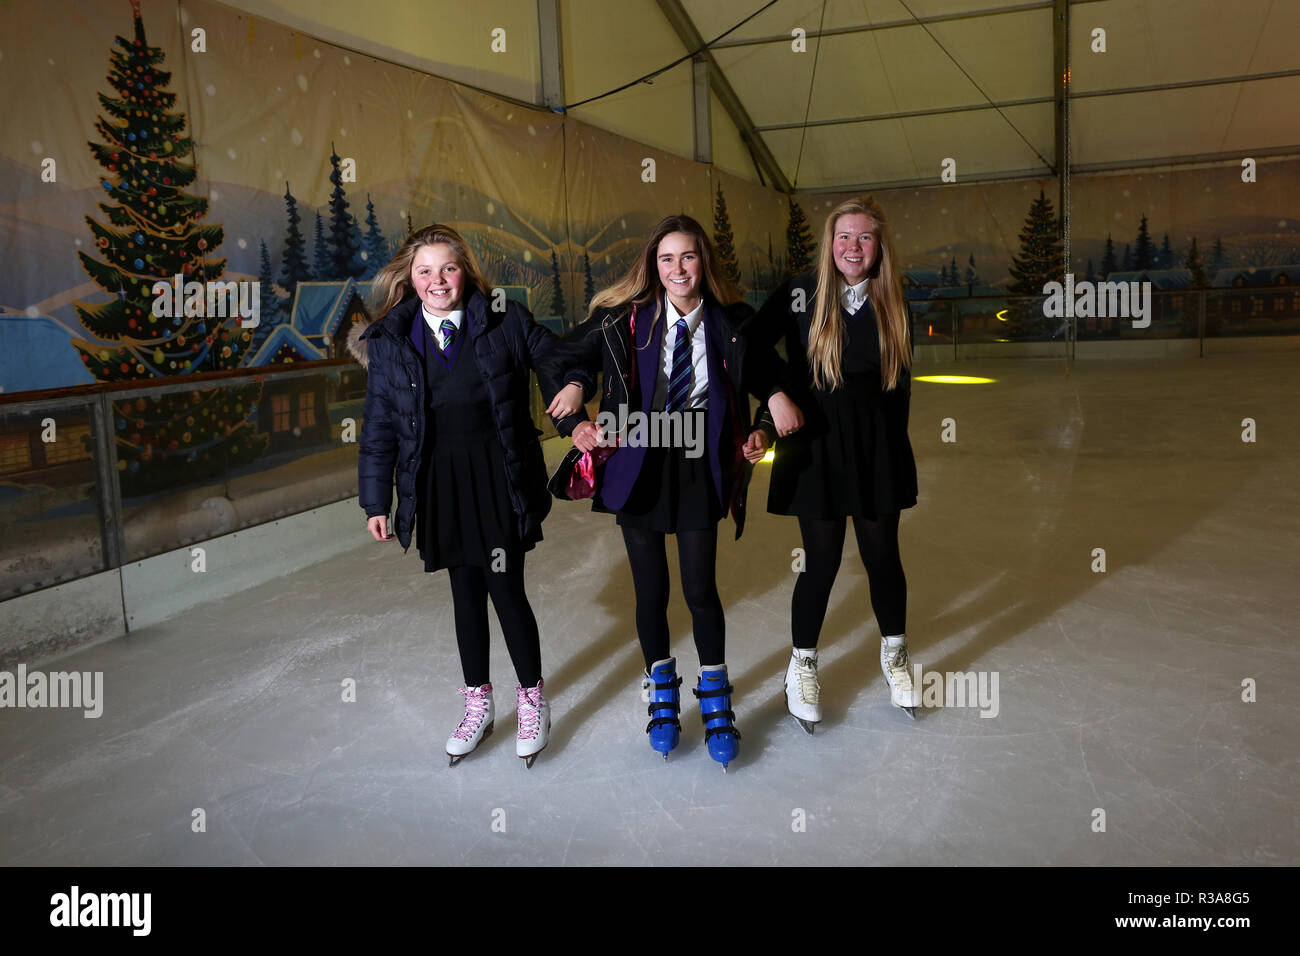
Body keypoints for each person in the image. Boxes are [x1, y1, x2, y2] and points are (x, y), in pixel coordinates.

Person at [539, 215, 799, 771]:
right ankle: (661, 692)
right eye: (666, 259)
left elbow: (770, 376)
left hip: (699, 464)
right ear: (652, 267)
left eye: (687, 257)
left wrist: (768, 416)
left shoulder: (733, 322)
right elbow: (561, 357)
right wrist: (577, 393)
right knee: (651, 589)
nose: (677, 269)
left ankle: (715, 699)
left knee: (701, 589)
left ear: (703, 262)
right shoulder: (626, 320)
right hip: (639, 462)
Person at [351, 224, 589, 768]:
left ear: (467, 272)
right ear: (410, 279)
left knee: (505, 588)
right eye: (425, 270)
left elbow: (561, 361)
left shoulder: (504, 317)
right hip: (438, 480)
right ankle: (476, 702)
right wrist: (374, 500)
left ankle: (531, 700)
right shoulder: (390, 339)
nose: (438, 280)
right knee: (464, 593)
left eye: (448, 268)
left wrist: (573, 395)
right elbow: (380, 424)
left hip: (497, 471)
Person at [755, 196, 920, 731]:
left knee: (882, 557)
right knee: (820, 563)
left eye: (864, 238)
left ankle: (895, 658)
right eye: (844, 236)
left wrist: (898, 452)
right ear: (830, 242)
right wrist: (774, 398)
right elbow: (748, 344)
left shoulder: (892, 297)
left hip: (875, 447)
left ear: (879, 247)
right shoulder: (802, 291)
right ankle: (801, 664)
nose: (853, 247)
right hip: (817, 445)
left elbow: (901, 389)